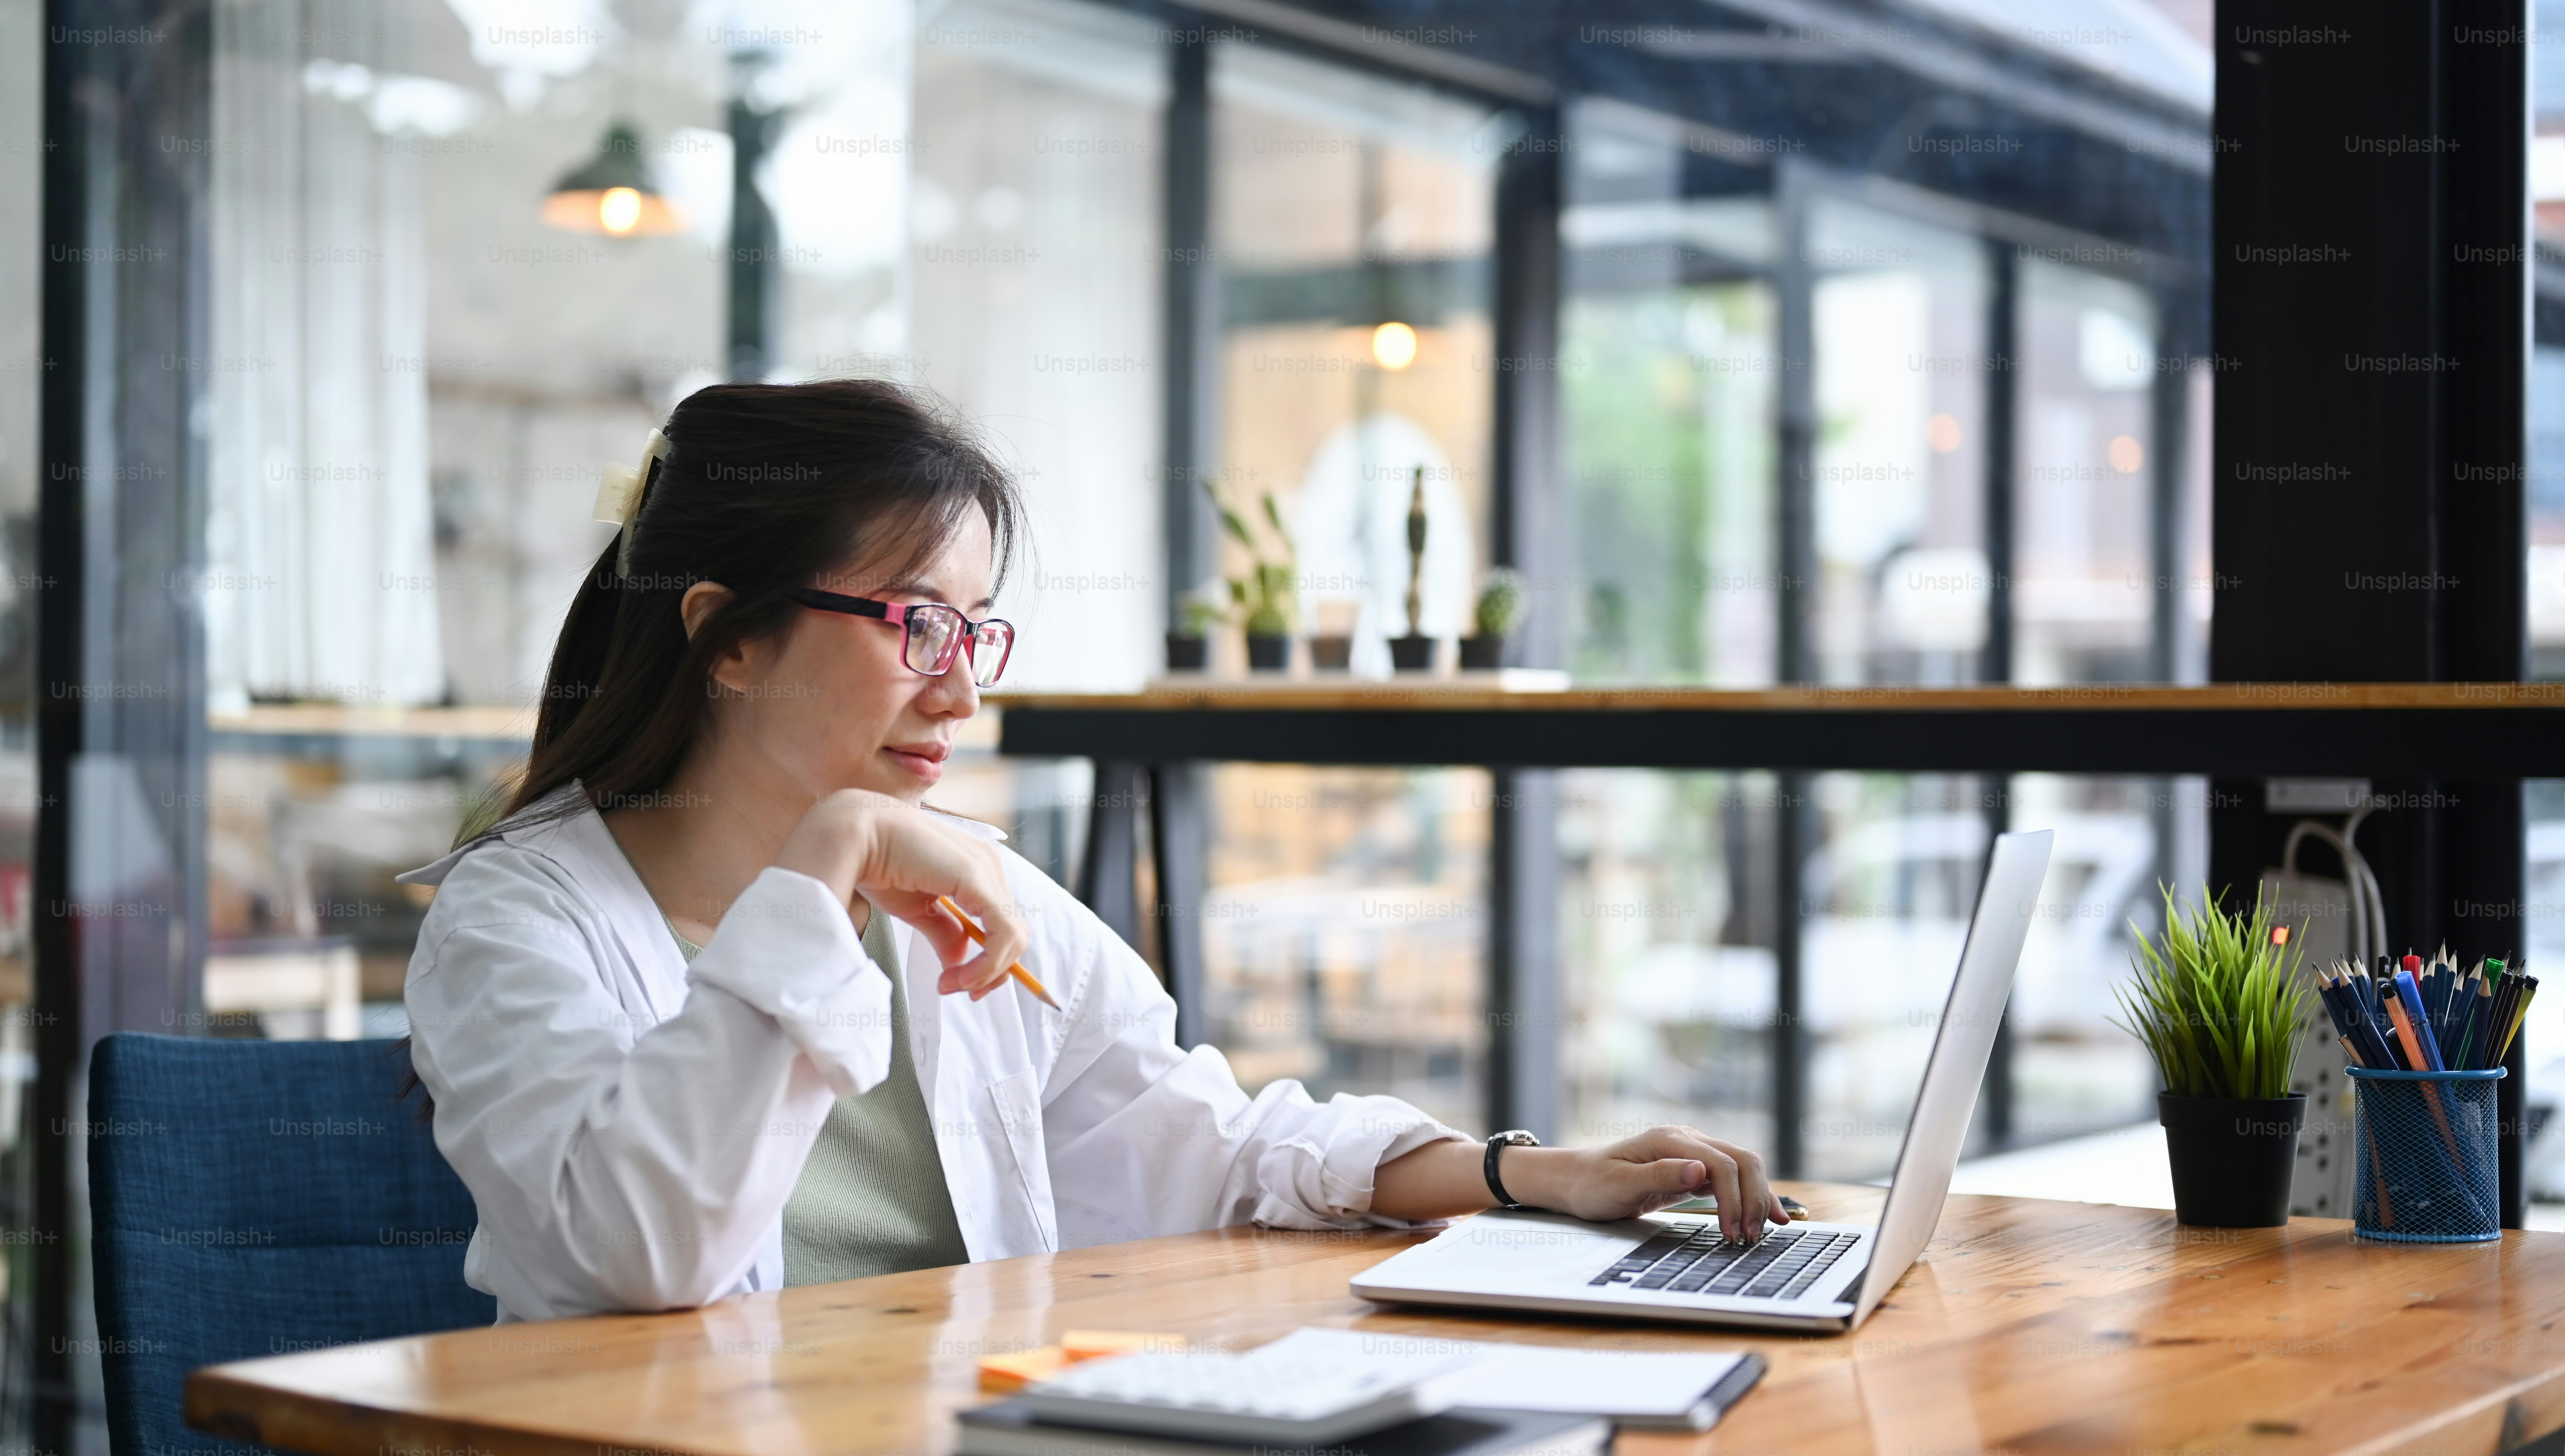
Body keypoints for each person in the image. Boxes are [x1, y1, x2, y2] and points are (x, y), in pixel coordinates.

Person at [400, 379, 1785, 1323]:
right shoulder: (519, 920)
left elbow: (1215, 1141)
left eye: (977, 629)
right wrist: (821, 864)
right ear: (731, 637)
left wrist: (1526, 1173)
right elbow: (652, 1256)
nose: (962, 690)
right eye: (914, 625)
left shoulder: (967, 890)